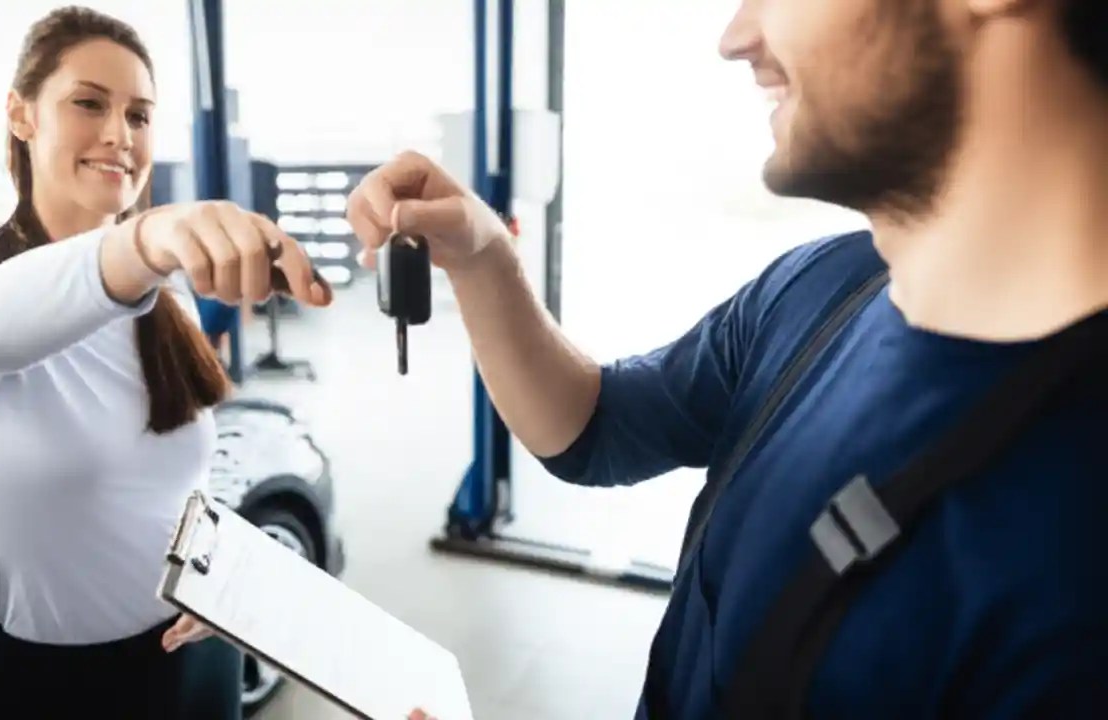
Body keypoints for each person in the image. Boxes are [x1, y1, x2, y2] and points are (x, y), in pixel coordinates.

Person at [363, 0, 1108, 718]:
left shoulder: (1074, 564)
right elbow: (597, 428)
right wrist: (483, 255)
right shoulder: (823, 286)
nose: (735, 37)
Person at [0, 7, 330, 719]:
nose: (119, 136)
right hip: (66, 692)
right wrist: (151, 238)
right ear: (21, 115)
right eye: (88, 103)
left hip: (199, 656)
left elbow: (181, 493)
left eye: (139, 115)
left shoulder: (168, 310)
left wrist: (221, 581)